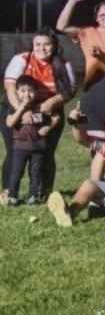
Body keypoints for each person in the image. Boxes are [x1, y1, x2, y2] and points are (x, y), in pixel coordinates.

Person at [2, 30, 75, 197]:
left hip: (49, 112)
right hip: (17, 109)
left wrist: (51, 102)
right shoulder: (21, 59)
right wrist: (23, 110)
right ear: (33, 46)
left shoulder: (64, 64)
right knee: (14, 150)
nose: (42, 48)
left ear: (54, 46)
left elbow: (70, 90)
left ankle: (43, 190)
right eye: (38, 44)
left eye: (47, 44)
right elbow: (10, 88)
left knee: (45, 152)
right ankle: (8, 190)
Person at [4, 76, 61, 205]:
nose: (26, 94)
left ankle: (33, 196)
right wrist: (21, 109)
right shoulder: (14, 107)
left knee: (35, 173)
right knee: (16, 172)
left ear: (36, 93)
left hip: (38, 147)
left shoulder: (40, 107)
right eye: (23, 91)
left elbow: (56, 117)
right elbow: (9, 122)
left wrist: (47, 127)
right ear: (17, 92)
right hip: (20, 147)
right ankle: (13, 196)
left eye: (30, 91)